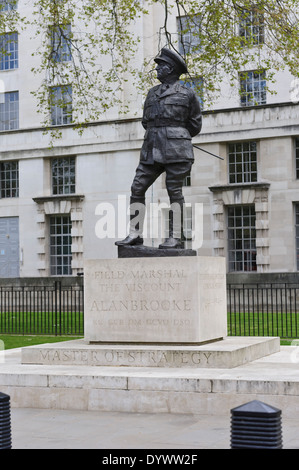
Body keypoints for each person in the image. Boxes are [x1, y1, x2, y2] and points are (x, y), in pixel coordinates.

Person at [115, 47, 202, 248]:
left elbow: (195, 125)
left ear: (170, 69)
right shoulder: (152, 93)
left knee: (174, 191)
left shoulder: (187, 94)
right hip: (151, 148)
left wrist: (173, 133)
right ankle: (135, 234)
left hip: (177, 149)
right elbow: (146, 121)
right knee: (137, 187)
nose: (157, 70)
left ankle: (175, 237)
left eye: (161, 66)